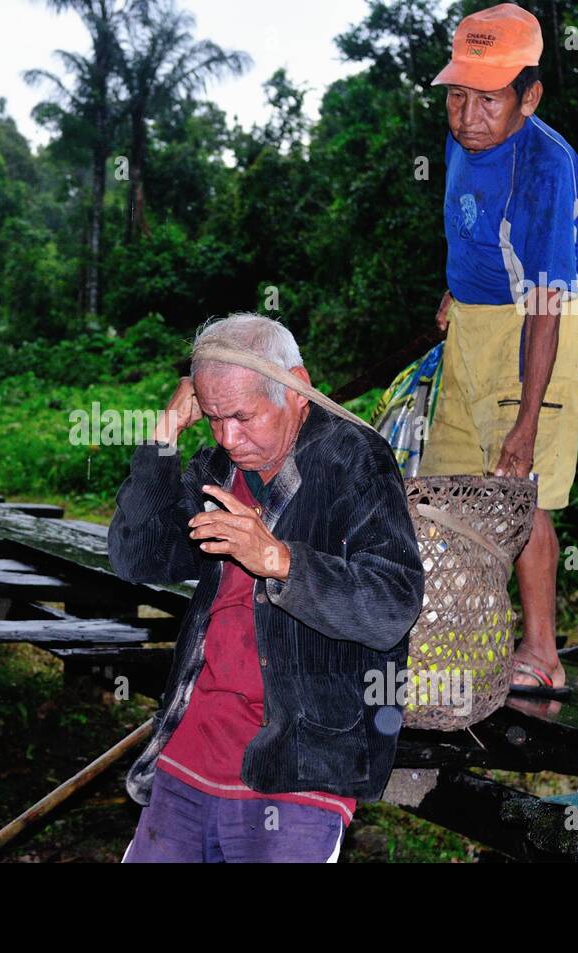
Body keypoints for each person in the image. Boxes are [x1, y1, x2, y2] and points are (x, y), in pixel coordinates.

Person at [108, 313, 424, 863]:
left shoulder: (355, 459)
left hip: (301, 756)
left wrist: (279, 560)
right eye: (212, 418)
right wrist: (162, 439)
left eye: (243, 417)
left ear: (296, 387)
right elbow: (135, 558)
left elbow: (392, 604)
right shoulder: (218, 466)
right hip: (193, 740)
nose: (229, 439)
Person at [418, 3, 578, 699]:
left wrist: (525, 424)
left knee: (523, 491)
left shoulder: (549, 168)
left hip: (536, 328)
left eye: (489, 99)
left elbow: (545, 303)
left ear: (530, 96)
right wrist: (454, 293)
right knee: (445, 488)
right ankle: (459, 643)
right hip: (471, 327)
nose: (468, 116)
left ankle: (542, 652)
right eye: (457, 96)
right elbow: (474, 233)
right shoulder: (465, 142)